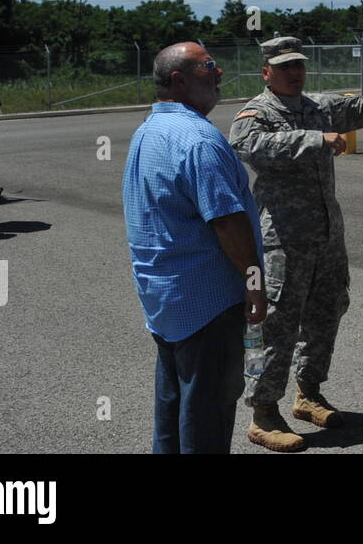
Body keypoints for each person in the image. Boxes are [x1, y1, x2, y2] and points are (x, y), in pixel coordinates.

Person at [229, 36, 363, 452]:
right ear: (266, 71)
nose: (295, 72)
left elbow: (362, 109)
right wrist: (313, 139)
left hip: (326, 235)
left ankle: (308, 394)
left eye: (298, 65)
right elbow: (246, 145)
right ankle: (263, 413)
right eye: (285, 67)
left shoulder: (317, 105)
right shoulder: (258, 112)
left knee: (326, 314)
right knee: (276, 326)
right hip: (282, 238)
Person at [123, 42, 267, 454]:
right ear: (179, 80)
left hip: (167, 299)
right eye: (209, 67)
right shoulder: (199, 140)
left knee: (173, 405)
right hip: (207, 302)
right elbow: (226, 220)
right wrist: (255, 284)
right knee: (207, 411)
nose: (219, 73)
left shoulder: (149, 130)